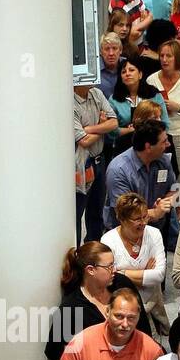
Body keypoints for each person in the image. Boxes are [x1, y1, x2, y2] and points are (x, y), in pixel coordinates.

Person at [44, 240, 151, 360]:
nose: (114, 269)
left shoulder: (122, 284)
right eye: (109, 266)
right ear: (90, 270)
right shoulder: (70, 309)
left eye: (114, 264)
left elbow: (143, 326)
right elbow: (55, 353)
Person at [103, 117, 179, 254]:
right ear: (148, 146)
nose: (168, 144)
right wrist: (155, 213)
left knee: (157, 272)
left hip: (156, 233)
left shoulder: (164, 161)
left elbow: (176, 190)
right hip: (125, 237)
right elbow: (125, 214)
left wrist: (165, 204)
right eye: (164, 141)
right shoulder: (119, 170)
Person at [102, 190, 169, 333]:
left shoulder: (154, 234)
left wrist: (122, 273)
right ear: (122, 219)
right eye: (138, 219)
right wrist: (146, 272)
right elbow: (110, 280)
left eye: (145, 217)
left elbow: (159, 275)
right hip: (122, 308)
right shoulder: (108, 241)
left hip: (151, 304)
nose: (144, 223)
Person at [145, 39, 180, 187]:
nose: (164, 60)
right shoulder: (151, 80)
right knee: (159, 172)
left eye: (168, 56)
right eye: (162, 55)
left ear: (177, 57)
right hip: (159, 135)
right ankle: (162, 204)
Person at [73, 83, 118, 244]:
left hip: (100, 160)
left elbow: (114, 123)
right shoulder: (68, 102)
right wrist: (101, 126)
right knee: (76, 213)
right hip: (81, 164)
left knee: (96, 211)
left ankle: (93, 250)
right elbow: (84, 141)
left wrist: (90, 128)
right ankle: (76, 254)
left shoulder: (96, 93)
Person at [109, 56, 168, 151]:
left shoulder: (154, 94)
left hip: (153, 145)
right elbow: (111, 131)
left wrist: (142, 131)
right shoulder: (114, 99)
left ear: (140, 74)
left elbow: (165, 124)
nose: (127, 74)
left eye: (131, 70)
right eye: (123, 72)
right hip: (125, 146)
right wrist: (129, 130)